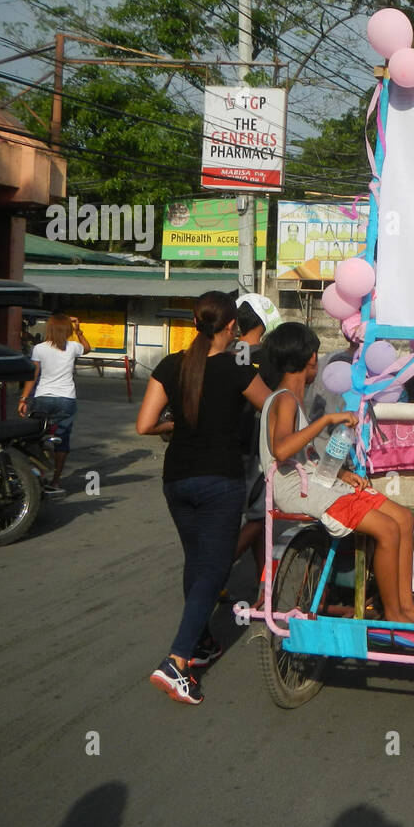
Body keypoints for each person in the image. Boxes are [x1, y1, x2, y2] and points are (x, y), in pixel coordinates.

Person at [136, 292, 273, 705]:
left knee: (197, 563)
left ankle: (202, 642)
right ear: (231, 326)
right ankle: (177, 661)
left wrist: (182, 420)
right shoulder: (237, 364)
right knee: (213, 569)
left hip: (177, 479)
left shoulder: (170, 365)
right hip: (220, 479)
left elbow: (144, 424)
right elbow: (272, 408)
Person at [260, 322, 414, 628]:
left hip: (313, 480)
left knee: (403, 518)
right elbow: (281, 450)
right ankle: (395, 613)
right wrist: (327, 420)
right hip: (296, 490)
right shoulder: (285, 399)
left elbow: (300, 454)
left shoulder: (287, 398)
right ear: (311, 359)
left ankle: (407, 607)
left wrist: (341, 473)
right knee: (386, 530)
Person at [232, 294, 284, 574]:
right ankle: (219, 570)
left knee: (257, 516)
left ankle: (265, 586)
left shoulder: (225, 354)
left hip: (228, 442)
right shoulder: (269, 359)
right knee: (258, 515)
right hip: (257, 446)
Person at [18, 313, 92, 494]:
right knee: (62, 440)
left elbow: (33, 375)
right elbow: (88, 348)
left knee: (37, 437)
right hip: (67, 399)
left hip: (43, 398)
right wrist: (78, 330)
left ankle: (38, 476)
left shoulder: (39, 348)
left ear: (49, 329)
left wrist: (23, 399)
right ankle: (56, 481)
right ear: (67, 329)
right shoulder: (73, 347)